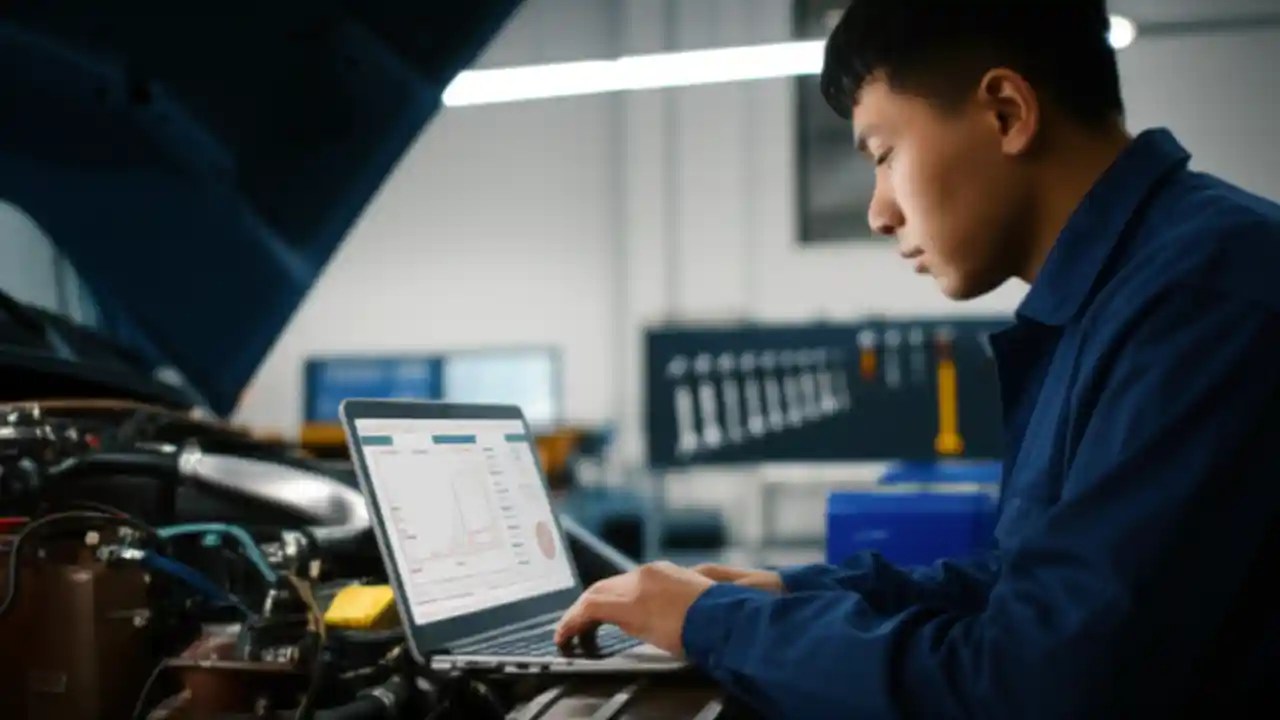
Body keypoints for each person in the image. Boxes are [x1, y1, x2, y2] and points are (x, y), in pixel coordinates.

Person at [554, 0, 1280, 717]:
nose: (878, 211)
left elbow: (1033, 685)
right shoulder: (1136, 290)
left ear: (1005, 112)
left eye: (884, 155)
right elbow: (1033, 587)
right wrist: (792, 594)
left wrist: (715, 624)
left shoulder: (1201, 296)